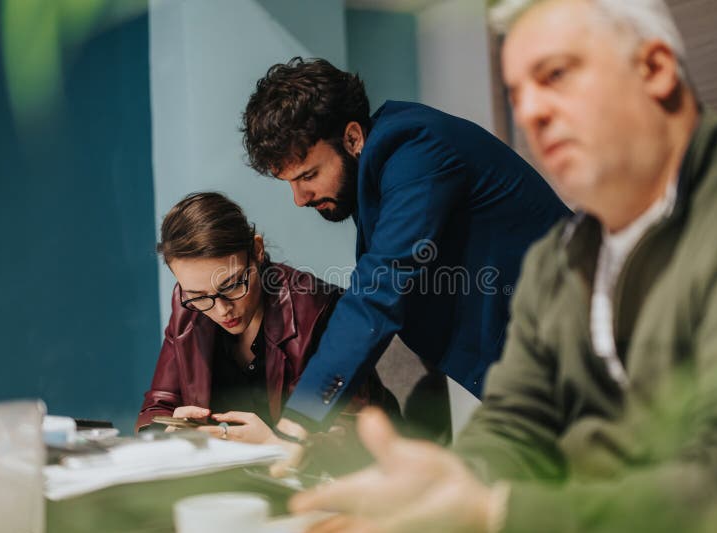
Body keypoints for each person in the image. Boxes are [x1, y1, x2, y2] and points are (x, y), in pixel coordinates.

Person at [288, 0, 717, 531]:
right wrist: (454, 480)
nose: (531, 112)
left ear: (653, 69)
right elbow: (516, 421)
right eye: (518, 93)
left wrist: (498, 511)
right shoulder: (566, 257)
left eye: (555, 75)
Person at [241, 57, 570, 447]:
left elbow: (379, 286)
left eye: (309, 176)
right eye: (290, 184)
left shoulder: (414, 148)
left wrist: (298, 422)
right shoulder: (382, 171)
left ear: (352, 138)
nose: (299, 199)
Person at [136, 192, 397, 472]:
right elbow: (158, 405)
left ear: (257, 250)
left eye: (233, 285)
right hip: (243, 485)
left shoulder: (318, 308)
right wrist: (167, 435)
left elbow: (350, 433)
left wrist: (278, 443)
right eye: (198, 295)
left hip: (355, 478)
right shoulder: (188, 308)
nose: (221, 309)